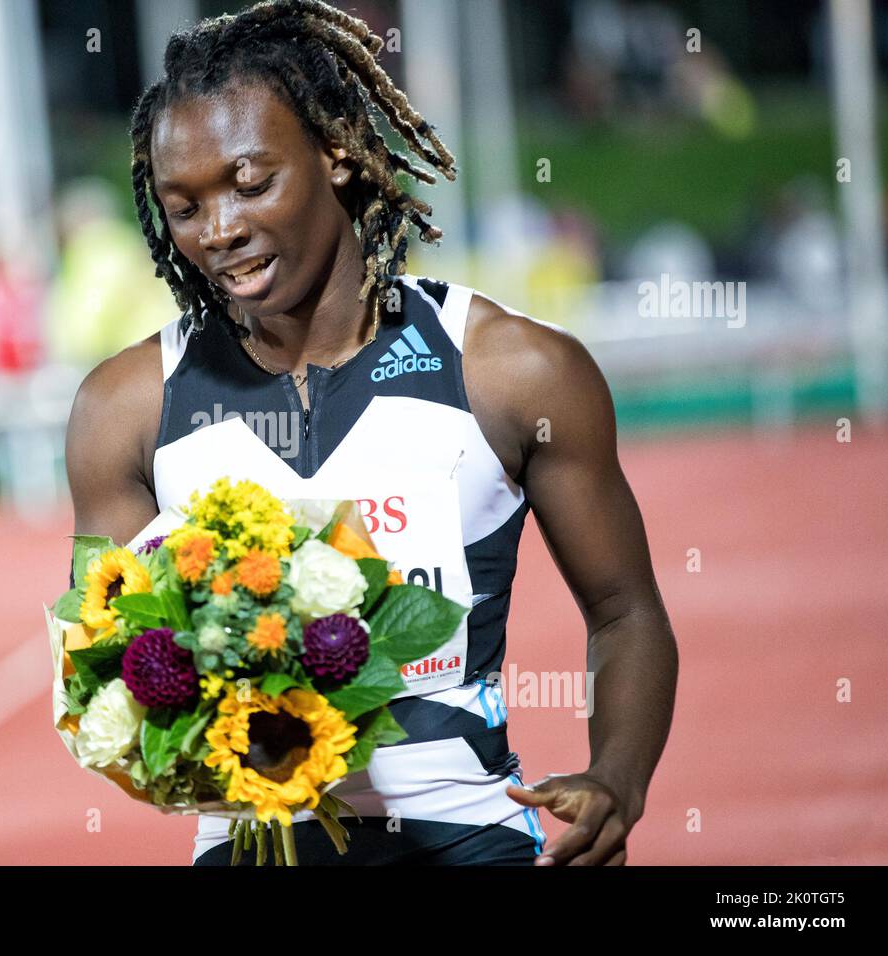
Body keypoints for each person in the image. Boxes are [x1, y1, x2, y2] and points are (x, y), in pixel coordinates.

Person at [65, 0, 677, 865]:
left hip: (471, 834)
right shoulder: (125, 409)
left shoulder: (513, 372)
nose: (220, 229)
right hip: (250, 846)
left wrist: (618, 777)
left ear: (338, 153)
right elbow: (111, 668)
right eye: (185, 206)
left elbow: (624, 611)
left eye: (251, 183)